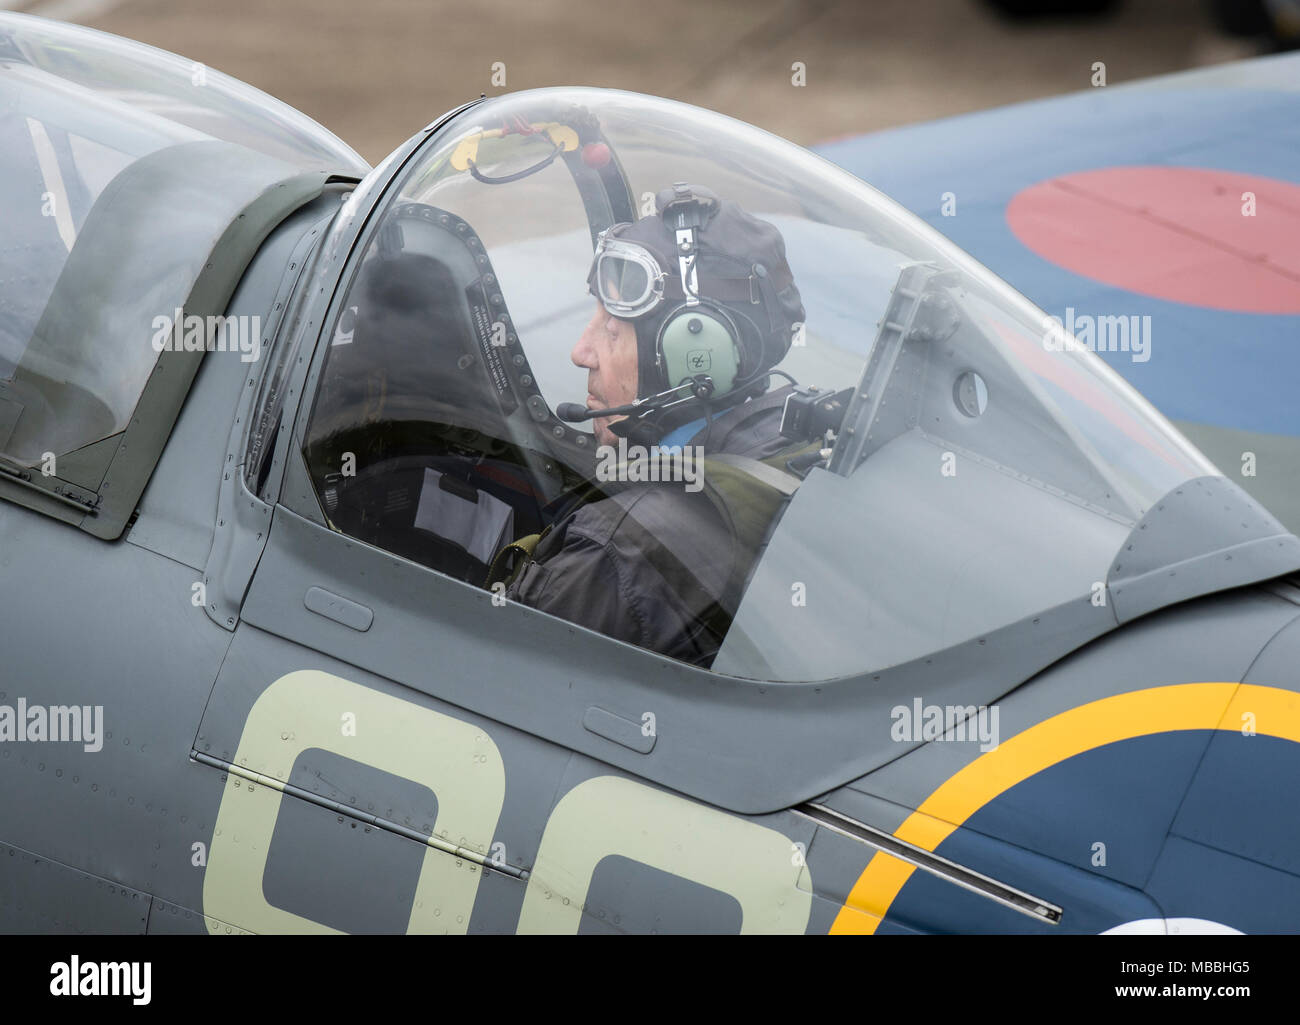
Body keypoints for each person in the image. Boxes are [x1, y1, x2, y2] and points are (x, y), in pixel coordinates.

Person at [500, 183, 808, 667]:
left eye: (610, 327)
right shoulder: (794, 439)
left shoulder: (612, 556)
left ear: (693, 355)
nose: (581, 352)